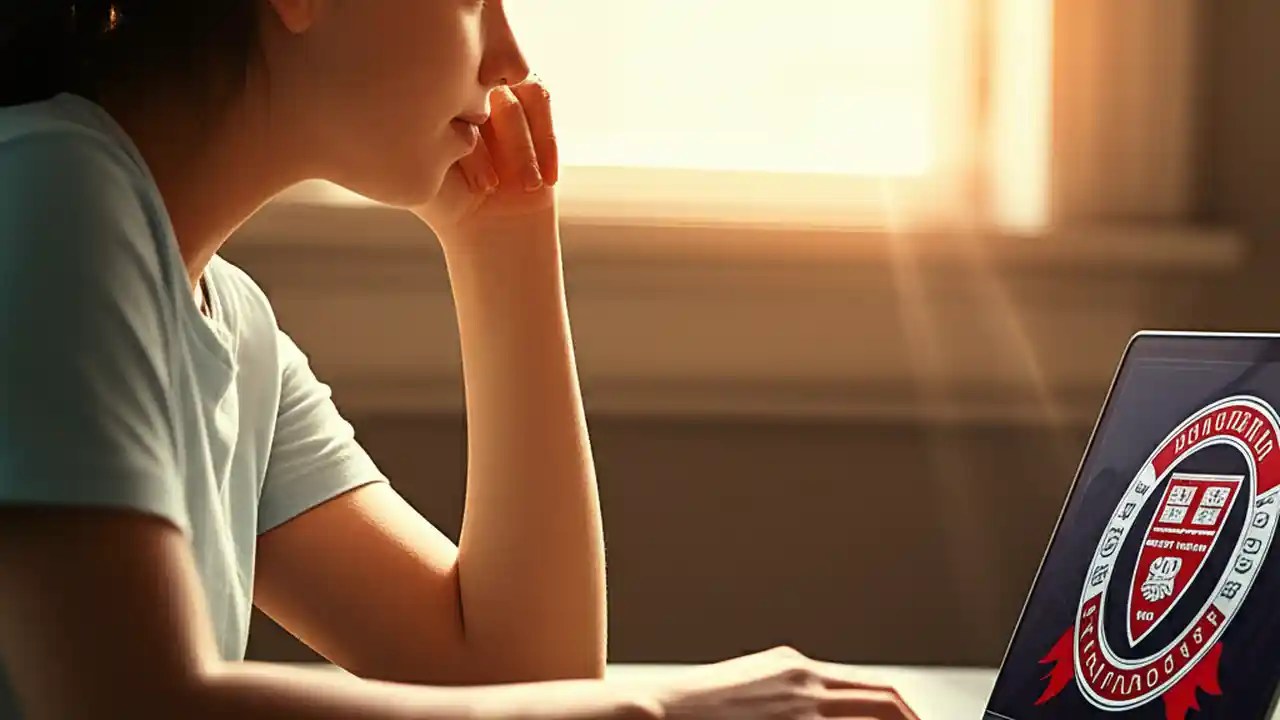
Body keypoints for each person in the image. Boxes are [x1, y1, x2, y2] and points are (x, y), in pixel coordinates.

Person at [0, 2, 919, 719]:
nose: (512, 60)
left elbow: (528, 675)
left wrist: (502, 245)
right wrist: (661, 710)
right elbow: (126, 705)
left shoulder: (233, 330)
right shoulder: (52, 190)